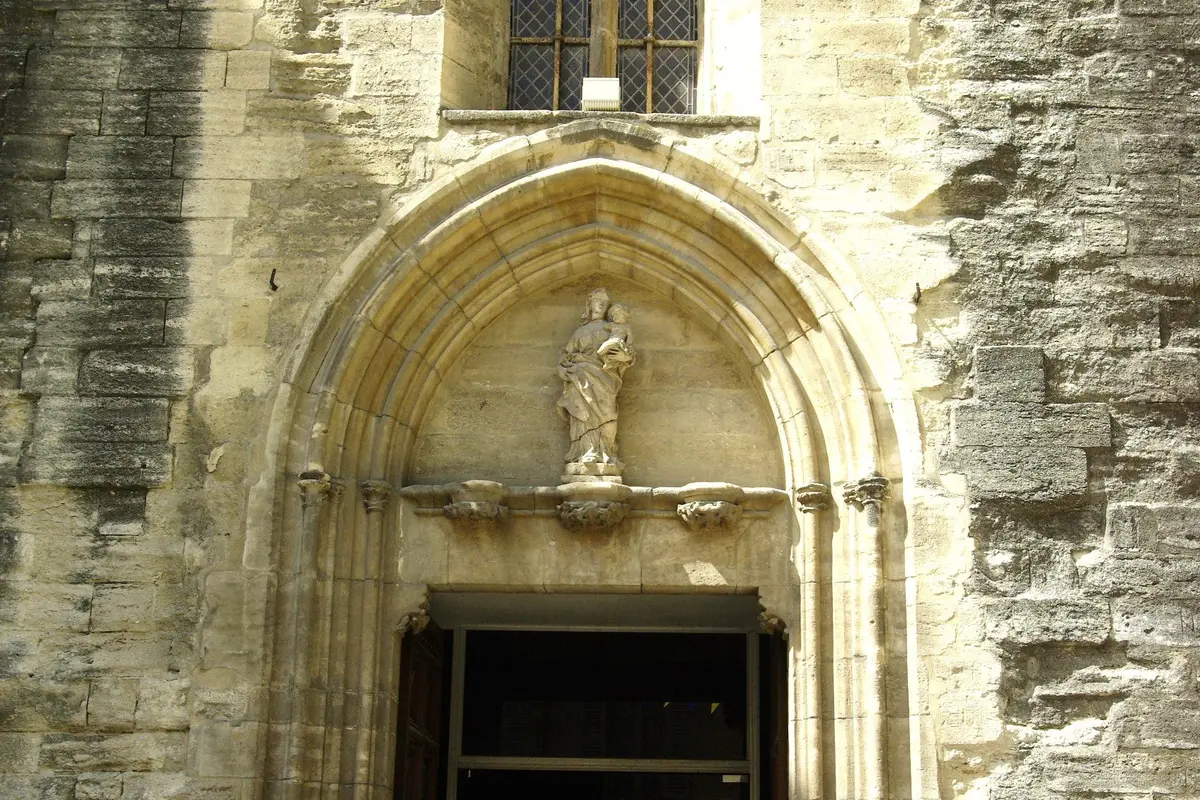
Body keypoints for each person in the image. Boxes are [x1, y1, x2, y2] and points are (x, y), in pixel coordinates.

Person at [556, 289, 634, 468]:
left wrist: (625, 358)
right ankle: (586, 452)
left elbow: (627, 352)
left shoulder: (613, 328)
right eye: (596, 301)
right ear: (589, 305)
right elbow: (565, 355)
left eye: (603, 303)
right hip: (579, 378)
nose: (599, 305)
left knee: (607, 413)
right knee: (582, 415)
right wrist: (565, 367)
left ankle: (605, 452)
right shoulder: (579, 332)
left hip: (606, 378)